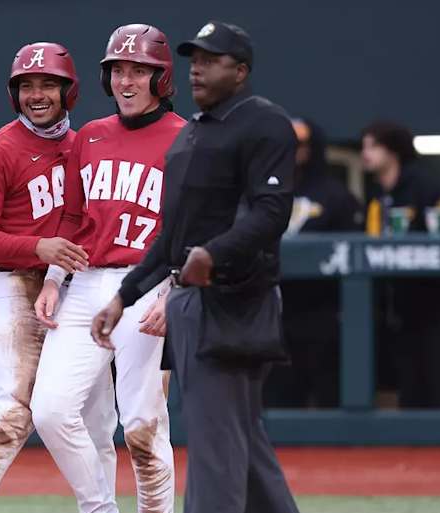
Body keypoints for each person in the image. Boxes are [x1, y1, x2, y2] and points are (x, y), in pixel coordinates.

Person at [91, 21, 301, 513]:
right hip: (192, 301)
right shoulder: (192, 135)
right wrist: (124, 296)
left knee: (215, 444)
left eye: (212, 60)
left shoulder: (263, 122)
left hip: (238, 298)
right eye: (194, 60)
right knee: (240, 437)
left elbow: (271, 212)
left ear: (241, 71)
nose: (197, 70)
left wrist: (213, 253)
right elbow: (171, 237)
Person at [0, 42, 119, 513]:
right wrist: (35, 250)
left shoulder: (85, 146)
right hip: (16, 283)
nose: (36, 95)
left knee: (99, 419)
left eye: (47, 85)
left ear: (69, 91)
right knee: (12, 416)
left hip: (78, 285)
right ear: (13, 93)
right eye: (26, 86)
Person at [30, 24, 185, 513]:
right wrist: (54, 279)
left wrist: (176, 289)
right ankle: (99, 507)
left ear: (161, 78)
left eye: (138, 71)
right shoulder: (91, 136)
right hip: (86, 282)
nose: (126, 81)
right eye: (118, 70)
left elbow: (197, 225)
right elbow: (73, 218)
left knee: (143, 423)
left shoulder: (187, 138)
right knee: (49, 410)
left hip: (148, 282)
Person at [361, 120, 440, 408]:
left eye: (372, 146)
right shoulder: (378, 195)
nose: (365, 154)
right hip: (403, 310)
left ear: (392, 150)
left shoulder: (425, 186)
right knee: (411, 394)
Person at [266, 118, 362, 408]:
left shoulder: (336, 195)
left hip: (322, 314)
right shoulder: (264, 191)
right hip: (273, 312)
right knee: (278, 399)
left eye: (300, 143)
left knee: (328, 397)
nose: (292, 149)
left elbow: (354, 251)